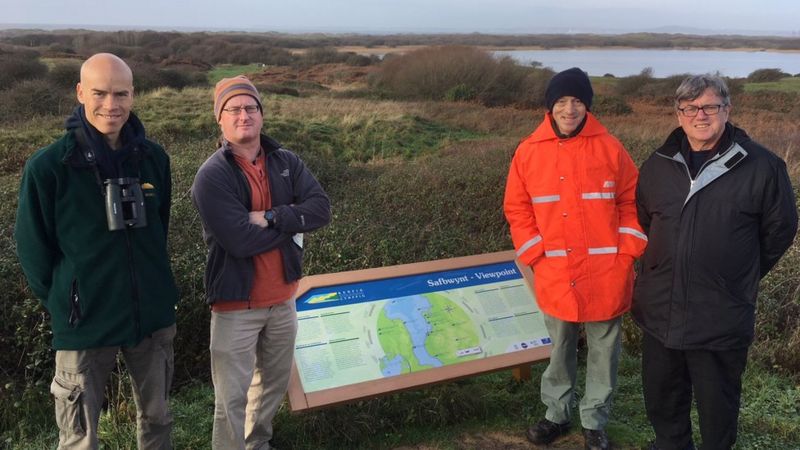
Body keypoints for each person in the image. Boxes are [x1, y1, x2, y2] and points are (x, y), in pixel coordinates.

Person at [14, 53, 179, 449]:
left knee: (157, 421)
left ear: (134, 95)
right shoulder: (50, 167)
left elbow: (160, 230)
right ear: (80, 92)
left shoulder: (154, 159)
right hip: (83, 323)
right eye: (100, 93)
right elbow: (34, 251)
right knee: (80, 436)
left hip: (151, 319)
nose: (111, 104)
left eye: (121, 93)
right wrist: (66, 299)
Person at [633, 74, 797, 450]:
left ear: (727, 110)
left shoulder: (762, 166)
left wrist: (736, 275)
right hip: (661, 308)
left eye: (709, 106)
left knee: (717, 406)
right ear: (678, 114)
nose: (699, 115)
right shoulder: (658, 164)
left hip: (719, 312)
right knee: (663, 397)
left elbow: (780, 230)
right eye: (689, 108)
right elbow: (647, 220)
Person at [504, 67, 648, 450]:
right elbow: (518, 210)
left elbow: (633, 203)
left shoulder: (611, 148)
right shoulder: (528, 151)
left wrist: (627, 252)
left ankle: (594, 421)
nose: (570, 109)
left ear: (588, 105)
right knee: (560, 347)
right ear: (550, 107)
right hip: (555, 271)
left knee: (604, 351)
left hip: (606, 272)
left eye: (578, 101)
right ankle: (556, 414)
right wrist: (536, 256)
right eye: (562, 101)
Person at [191, 75, 331, 450]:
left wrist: (270, 217)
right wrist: (291, 222)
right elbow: (238, 241)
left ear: (261, 115)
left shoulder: (286, 161)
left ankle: (258, 444)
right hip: (236, 305)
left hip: (283, 299)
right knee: (231, 401)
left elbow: (321, 209)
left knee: (271, 387)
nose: (243, 115)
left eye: (250, 107)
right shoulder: (212, 176)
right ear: (219, 119)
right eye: (233, 109)